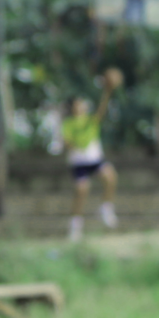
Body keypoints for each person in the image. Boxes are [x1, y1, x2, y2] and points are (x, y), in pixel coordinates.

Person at [61, 67, 123, 241]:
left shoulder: (91, 121)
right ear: (73, 107)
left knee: (110, 176)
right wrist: (70, 144)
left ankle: (106, 208)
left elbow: (101, 110)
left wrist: (108, 91)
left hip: (94, 160)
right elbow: (66, 142)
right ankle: (75, 225)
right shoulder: (68, 123)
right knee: (82, 190)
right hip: (79, 163)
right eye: (78, 103)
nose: (81, 106)